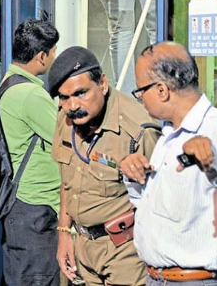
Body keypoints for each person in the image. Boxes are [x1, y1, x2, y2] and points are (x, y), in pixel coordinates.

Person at [120, 42, 217, 285]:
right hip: (157, 278)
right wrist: (135, 178)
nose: (140, 99)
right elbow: (160, 208)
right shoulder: (169, 134)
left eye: (140, 91)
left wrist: (215, 161)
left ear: (161, 90)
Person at [48, 46, 160, 286]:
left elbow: (162, 204)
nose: (72, 105)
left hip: (125, 252)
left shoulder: (138, 130)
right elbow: (67, 182)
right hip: (82, 248)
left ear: (103, 84)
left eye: (80, 93)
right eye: (64, 97)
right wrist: (64, 233)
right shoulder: (66, 119)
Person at [0, 18, 60, 285]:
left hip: (20, 206)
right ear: (41, 56)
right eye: (54, 52)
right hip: (35, 208)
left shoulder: (7, 82)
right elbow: (65, 139)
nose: (55, 58)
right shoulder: (31, 95)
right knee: (38, 278)